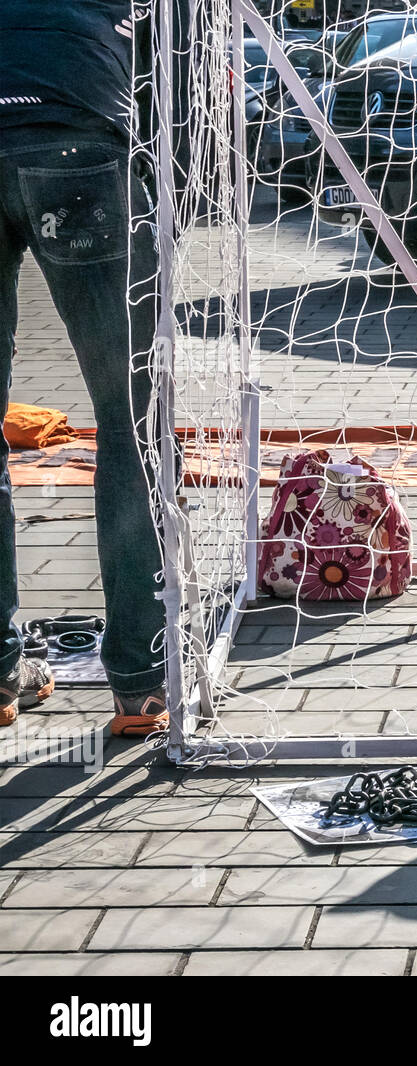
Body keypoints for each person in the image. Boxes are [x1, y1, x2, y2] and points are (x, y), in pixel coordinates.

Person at [0, 1, 169, 735]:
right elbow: (174, 69)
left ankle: (1, 674)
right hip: (75, 128)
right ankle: (140, 681)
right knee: (130, 422)